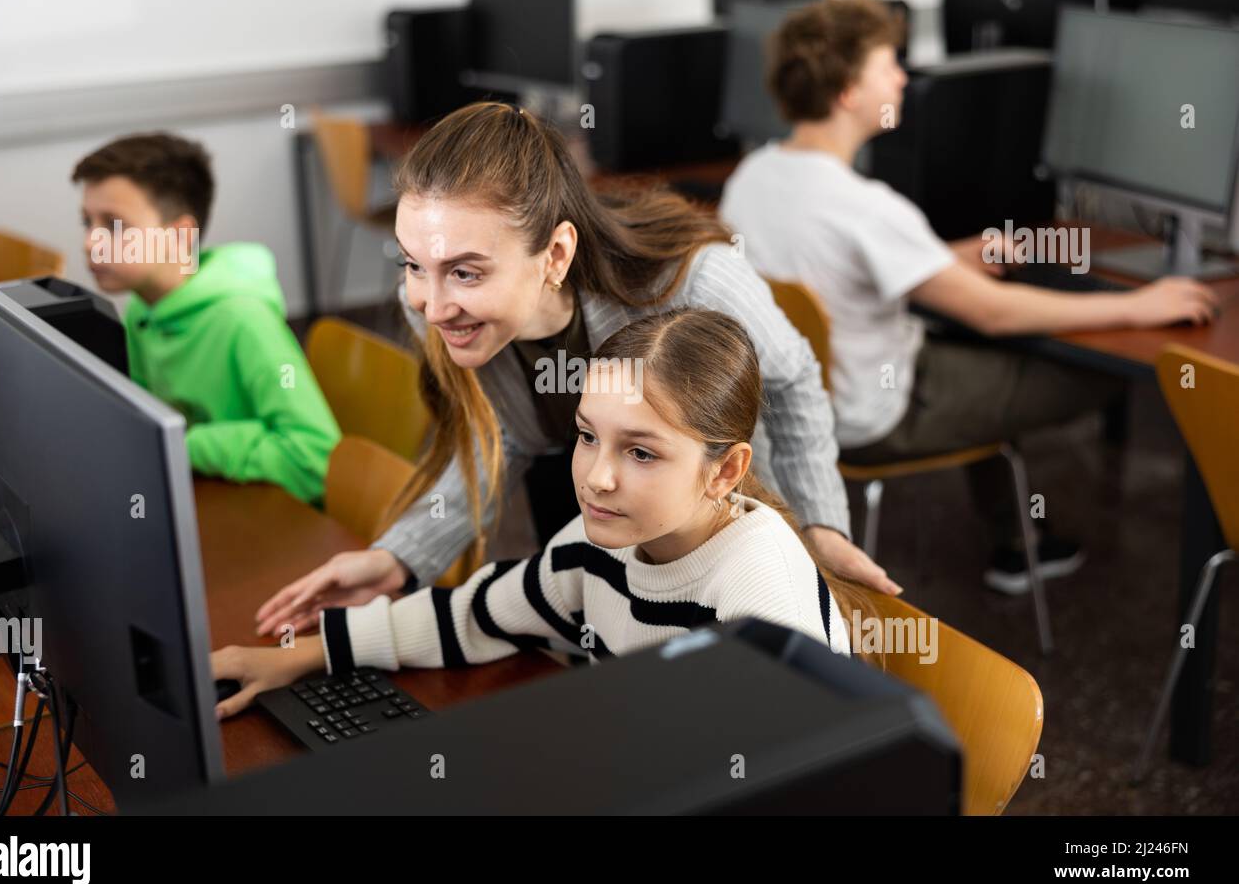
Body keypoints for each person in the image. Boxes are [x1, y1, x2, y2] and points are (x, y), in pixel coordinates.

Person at [255, 100, 899, 640]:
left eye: (466, 271)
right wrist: (399, 558)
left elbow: (793, 382)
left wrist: (819, 525)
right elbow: (498, 437)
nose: (430, 301)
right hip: (613, 521)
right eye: (412, 264)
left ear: (556, 253)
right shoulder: (438, 305)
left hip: (727, 531)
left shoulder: (696, 283)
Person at [719, 0, 1219, 593]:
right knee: (1097, 373)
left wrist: (944, 258)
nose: (903, 78)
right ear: (849, 93)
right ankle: (1019, 544)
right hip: (878, 414)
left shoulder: (753, 177)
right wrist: (1140, 305)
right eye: (889, 66)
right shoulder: (868, 206)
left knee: (975, 353)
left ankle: (1018, 539)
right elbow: (993, 310)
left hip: (796, 411)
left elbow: (831, 263)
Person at [226, 309, 852, 716]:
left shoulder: (758, 594)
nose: (596, 478)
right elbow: (482, 614)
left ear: (725, 471)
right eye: (587, 437)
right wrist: (299, 655)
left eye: (640, 451)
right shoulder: (599, 540)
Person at [73, 132, 340, 506]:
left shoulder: (242, 320)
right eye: (87, 222)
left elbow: (315, 459)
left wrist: (191, 445)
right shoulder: (142, 309)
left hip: (272, 520)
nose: (90, 242)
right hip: (209, 496)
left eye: (114, 225)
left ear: (180, 236)